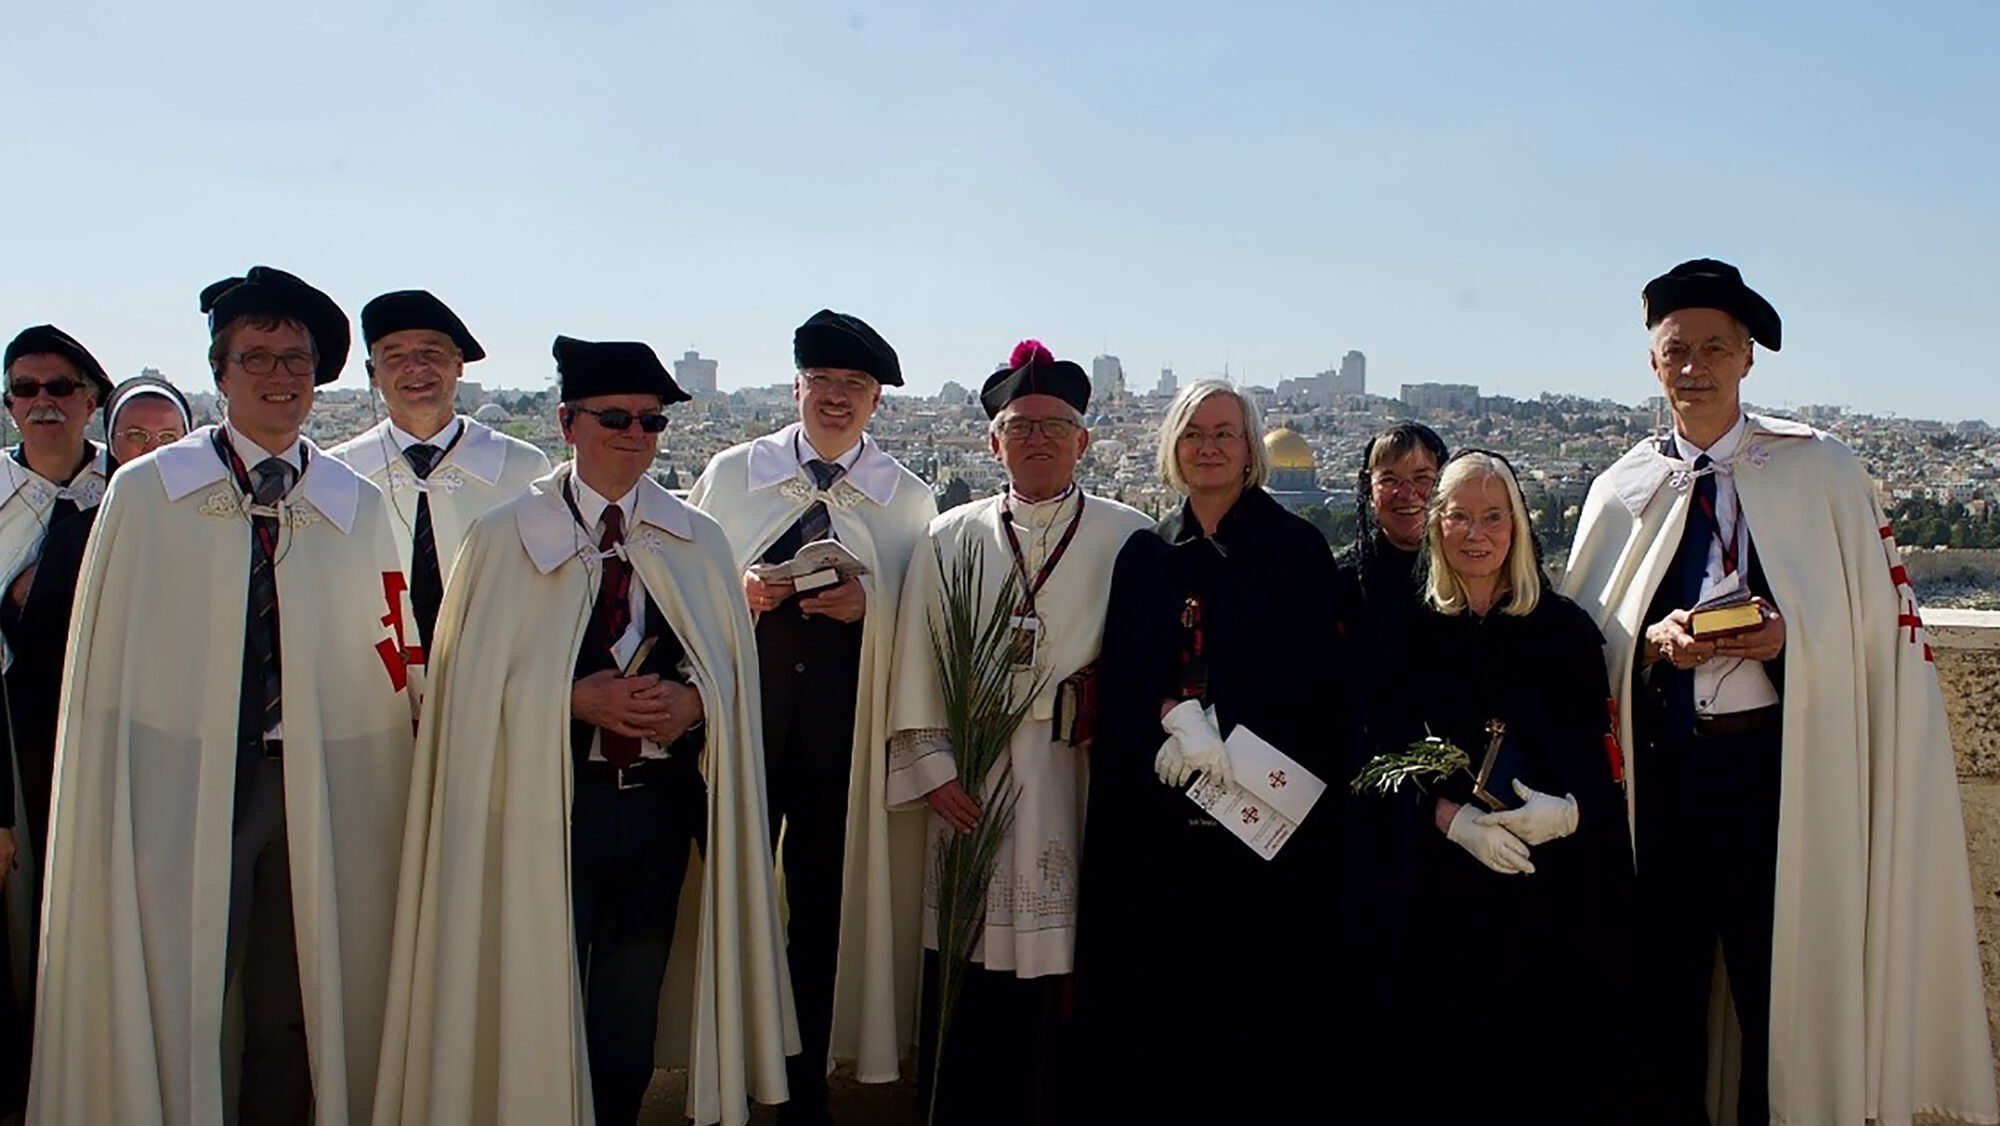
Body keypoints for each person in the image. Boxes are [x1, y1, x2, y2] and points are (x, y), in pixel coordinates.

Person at [1562, 258, 1996, 1124]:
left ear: (1748, 358)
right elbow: (1587, 645)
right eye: (1676, 351)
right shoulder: (1620, 490)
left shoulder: (1821, 471)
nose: (1694, 367)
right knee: (1664, 999)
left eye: (1714, 349)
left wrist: (1794, 639)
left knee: (1784, 998)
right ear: (1652, 363)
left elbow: (1874, 634)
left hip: (1781, 784)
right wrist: (1651, 645)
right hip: (1667, 784)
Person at [30, 266, 418, 1125]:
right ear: (220, 373)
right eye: (258, 359)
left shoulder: (351, 506)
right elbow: (109, 662)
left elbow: (385, 658)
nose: (281, 377)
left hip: (310, 781)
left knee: (294, 995)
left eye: (297, 361)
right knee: (179, 987)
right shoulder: (149, 493)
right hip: (173, 777)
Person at [373, 335, 792, 1126]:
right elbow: (466, 690)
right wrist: (570, 699)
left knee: (629, 1009)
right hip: (543, 812)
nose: (635, 435)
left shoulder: (695, 538)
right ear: (568, 424)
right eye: (615, 418)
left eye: (651, 421)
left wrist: (696, 703)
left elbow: (729, 669)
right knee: (538, 992)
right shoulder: (503, 537)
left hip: (657, 808)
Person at [1074, 378, 1365, 1123]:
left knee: (1256, 997)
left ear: (1249, 450)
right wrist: (1169, 722)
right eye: (1194, 433)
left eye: (1225, 433)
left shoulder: (1296, 550)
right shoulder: (1145, 554)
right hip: (1160, 819)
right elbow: (1127, 671)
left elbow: (1318, 686)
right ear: (1172, 446)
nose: (1208, 447)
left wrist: (1223, 731)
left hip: (1259, 822)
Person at [885, 340, 1150, 1126]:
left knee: (1072, 967)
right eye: (1020, 425)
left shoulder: (1131, 535)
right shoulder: (949, 536)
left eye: (1054, 425)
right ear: (992, 442)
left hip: (1077, 779)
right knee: (969, 967)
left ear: (1084, 440)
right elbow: (917, 653)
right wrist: (933, 768)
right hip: (972, 779)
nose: (1037, 438)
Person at [688, 309, 935, 1124]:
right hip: (743, 737)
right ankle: (729, 1072)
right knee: (735, 905)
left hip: (841, 746)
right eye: (822, 381)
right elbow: (684, 589)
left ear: (876, 402)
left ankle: (804, 1084)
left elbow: (922, 618)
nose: (836, 398)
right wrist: (738, 590)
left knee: (822, 914)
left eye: (854, 386)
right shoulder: (732, 476)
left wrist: (872, 606)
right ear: (795, 387)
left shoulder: (906, 498)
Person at [1370, 449, 1635, 1124]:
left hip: (1546, 900)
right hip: (1436, 900)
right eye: (1460, 516)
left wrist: (1569, 813)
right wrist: (1446, 818)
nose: (1476, 533)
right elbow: (1372, 761)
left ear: (1517, 526)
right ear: (1437, 525)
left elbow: (1601, 761)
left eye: (1493, 516)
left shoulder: (1566, 632)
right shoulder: (1401, 633)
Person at [3, 373, 193, 874]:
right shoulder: (74, 537)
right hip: (90, 747)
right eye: (135, 436)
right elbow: (36, 659)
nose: (152, 450)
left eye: (168, 437)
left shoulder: (225, 528)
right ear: (111, 443)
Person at [330, 289, 549, 658]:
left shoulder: (522, 469)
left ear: (458, 363)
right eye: (394, 356)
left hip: (493, 679)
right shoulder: (338, 474)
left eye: (431, 352)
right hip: (372, 682)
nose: (416, 367)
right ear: (372, 373)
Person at [1332, 420, 1448, 634]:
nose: (1406, 494)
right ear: (1369, 492)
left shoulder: (1472, 569)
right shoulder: (1340, 581)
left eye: (1421, 478)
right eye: (1389, 480)